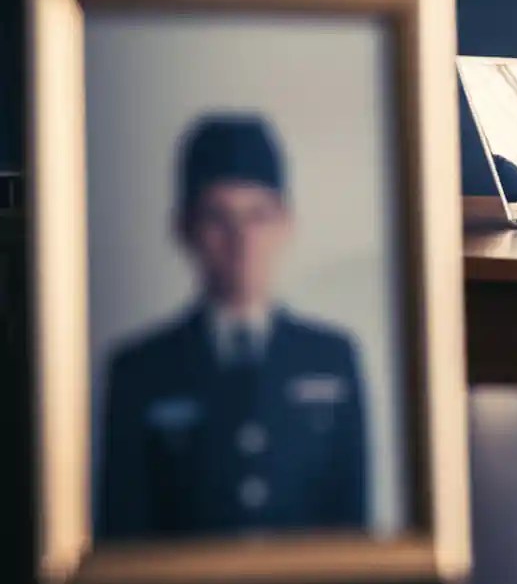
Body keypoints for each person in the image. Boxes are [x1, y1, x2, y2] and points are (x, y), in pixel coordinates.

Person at [97, 113, 368, 540]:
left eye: (257, 216)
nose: (241, 241)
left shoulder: (332, 357)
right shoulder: (139, 371)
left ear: (286, 223)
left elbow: (353, 529)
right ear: (184, 229)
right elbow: (124, 538)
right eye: (218, 218)